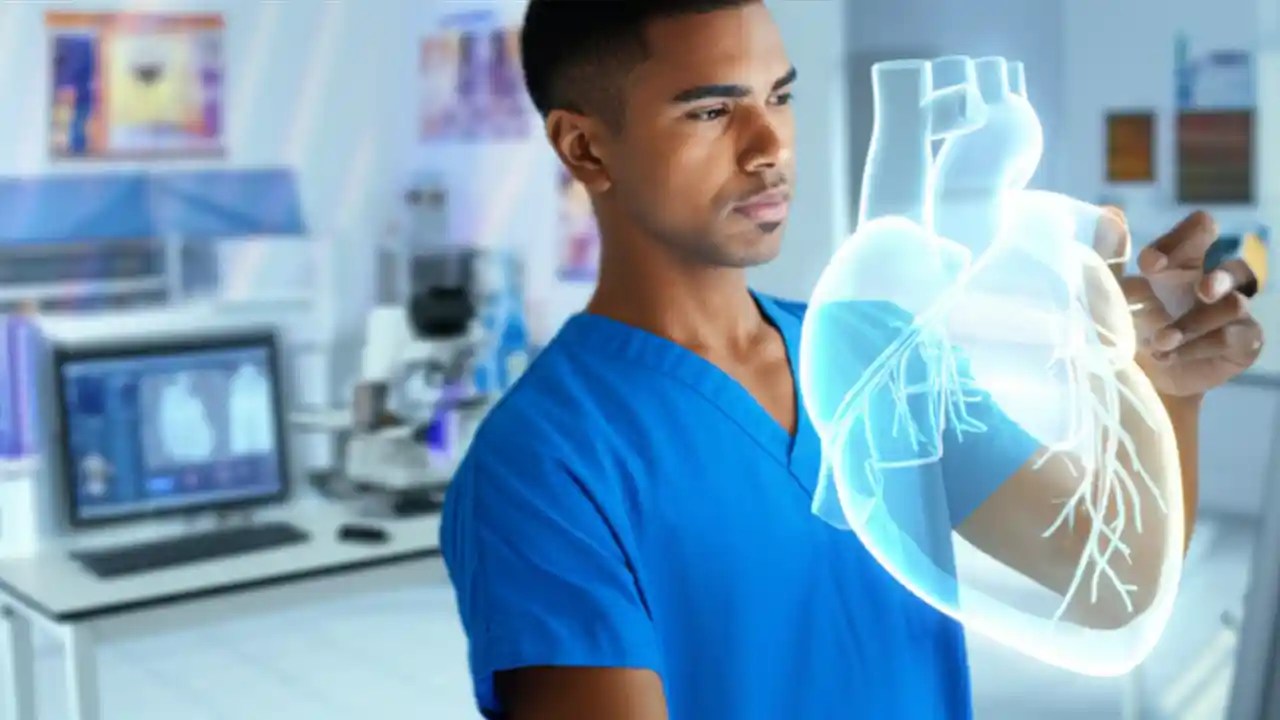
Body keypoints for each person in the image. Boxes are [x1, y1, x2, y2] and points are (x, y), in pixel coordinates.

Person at [439, 2, 1265, 718]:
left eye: (781, 97)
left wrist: (1161, 395)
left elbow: (1108, 583)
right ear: (585, 149)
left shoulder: (879, 353)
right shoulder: (542, 465)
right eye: (710, 111)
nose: (769, 147)